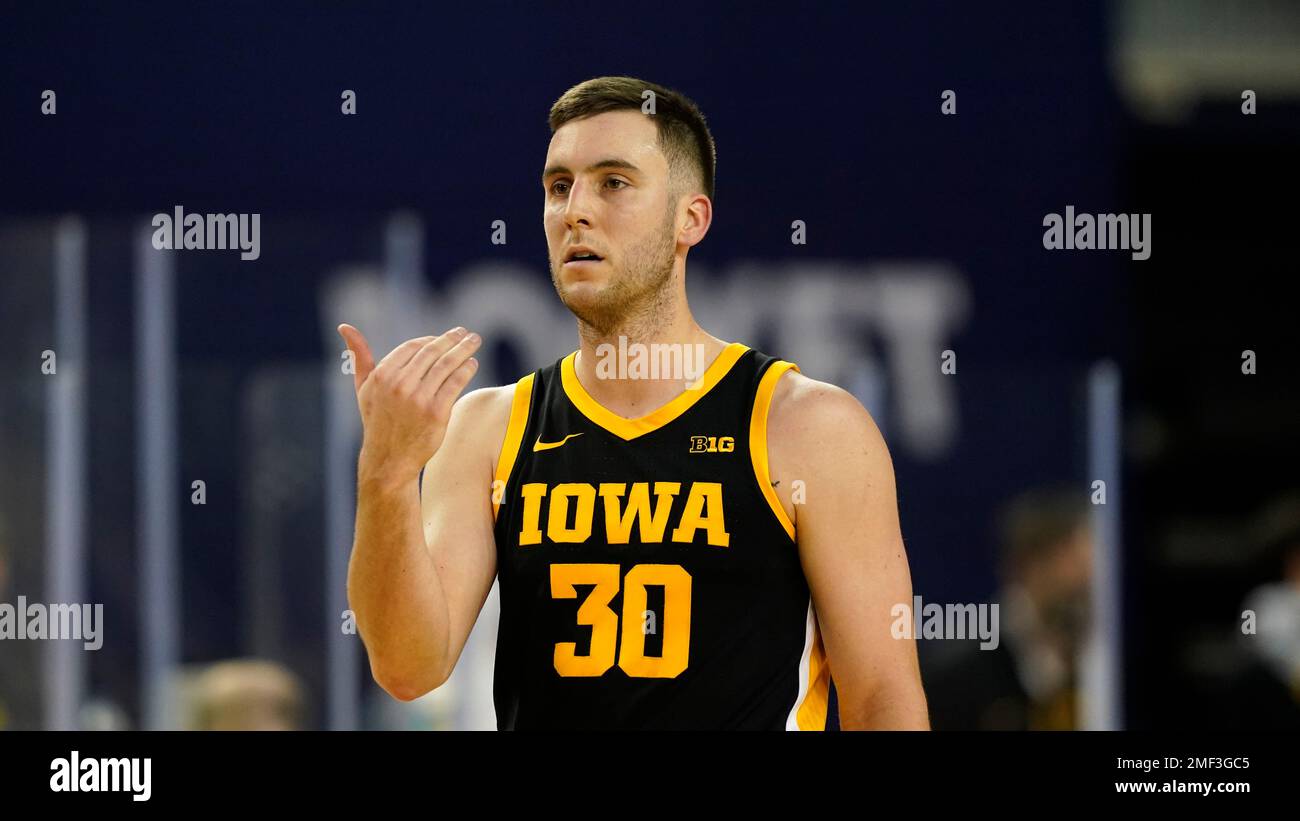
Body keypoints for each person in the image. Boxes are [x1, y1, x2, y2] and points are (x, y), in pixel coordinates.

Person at [338, 76, 927, 729]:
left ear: (690, 218)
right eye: (558, 187)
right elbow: (407, 666)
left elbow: (882, 698)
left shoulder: (805, 425)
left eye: (612, 182)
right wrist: (385, 475)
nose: (575, 210)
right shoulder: (490, 428)